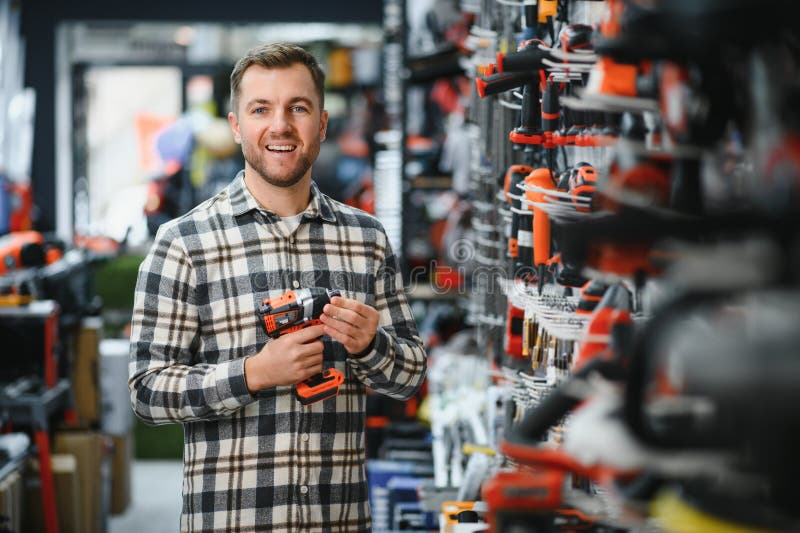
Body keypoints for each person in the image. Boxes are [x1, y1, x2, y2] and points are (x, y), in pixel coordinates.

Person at [129, 42, 427, 532]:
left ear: (323, 124)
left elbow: (410, 376)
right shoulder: (184, 243)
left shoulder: (366, 239)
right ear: (236, 125)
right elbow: (146, 391)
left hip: (339, 521)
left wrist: (371, 345)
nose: (281, 125)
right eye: (261, 109)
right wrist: (253, 374)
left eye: (298, 107)